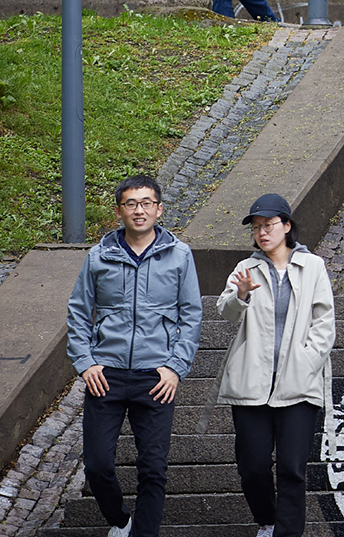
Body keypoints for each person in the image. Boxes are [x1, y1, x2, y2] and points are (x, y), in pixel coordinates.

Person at [66, 175, 203, 537]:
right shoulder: (99, 256)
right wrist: (85, 362)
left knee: (153, 468)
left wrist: (175, 367)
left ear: (159, 208)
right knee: (96, 466)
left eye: (146, 203)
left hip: (155, 378)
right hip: (106, 375)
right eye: (131, 203)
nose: (138, 210)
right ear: (119, 211)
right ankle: (121, 520)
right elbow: (80, 312)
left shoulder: (179, 255)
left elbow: (191, 316)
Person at [215, 193, 335, 537]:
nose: (262, 233)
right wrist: (241, 295)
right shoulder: (246, 270)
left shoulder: (312, 267)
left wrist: (305, 361)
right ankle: (267, 522)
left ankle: (286, 533)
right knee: (252, 467)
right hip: (252, 382)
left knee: (293, 469)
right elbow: (225, 312)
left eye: (268, 225)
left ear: (286, 226)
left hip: (298, 384)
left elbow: (324, 323)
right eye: (256, 228)